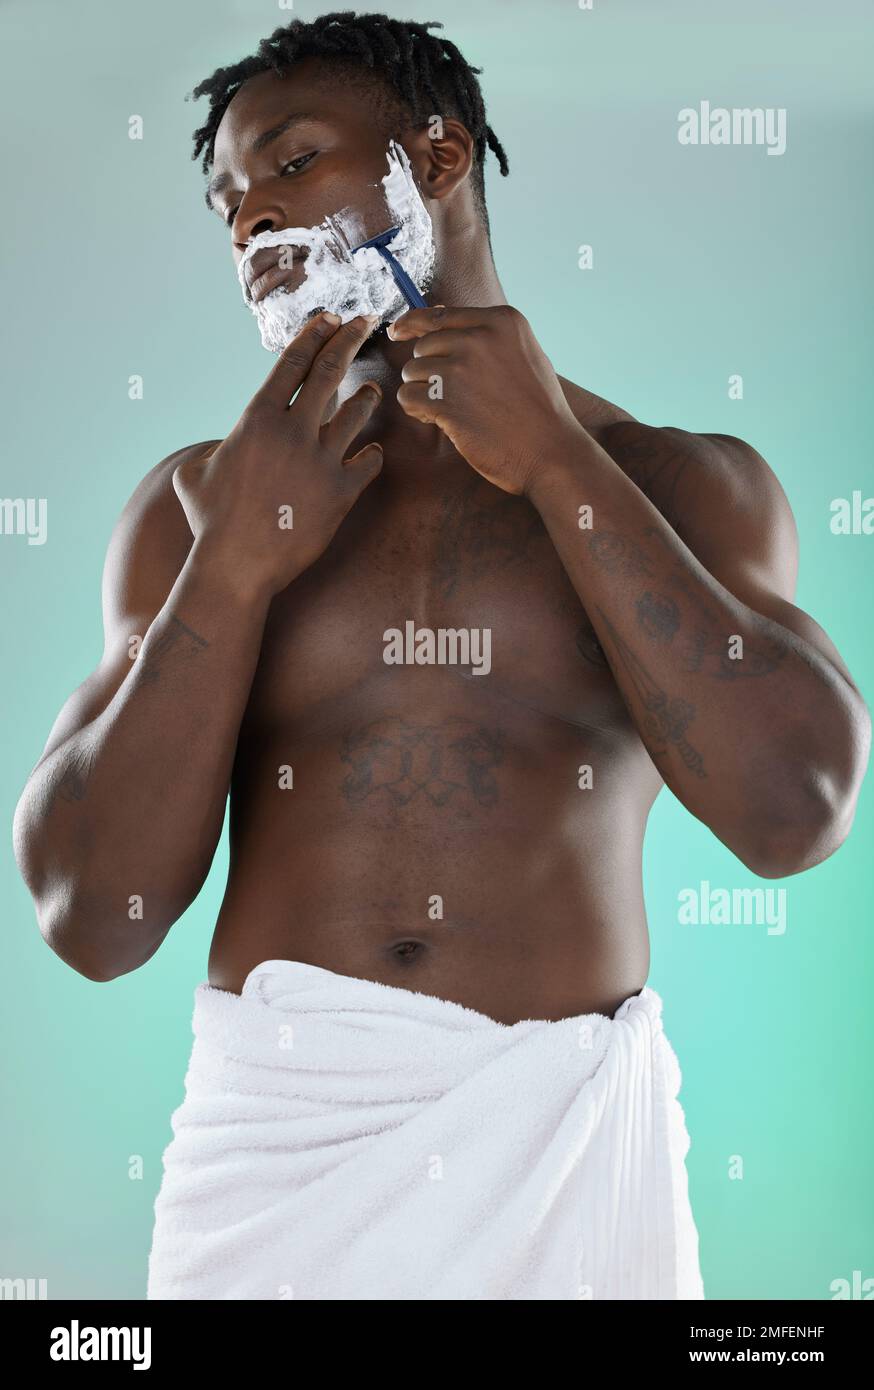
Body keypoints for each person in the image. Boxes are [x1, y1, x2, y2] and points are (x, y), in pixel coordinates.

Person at [13, 11, 870, 1301]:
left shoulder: (675, 482)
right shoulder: (194, 510)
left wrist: (558, 465)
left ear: (441, 155)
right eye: (228, 203)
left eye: (291, 166)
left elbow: (797, 814)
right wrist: (233, 568)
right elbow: (90, 918)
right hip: (274, 1178)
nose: (251, 222)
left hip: (569, 1176)